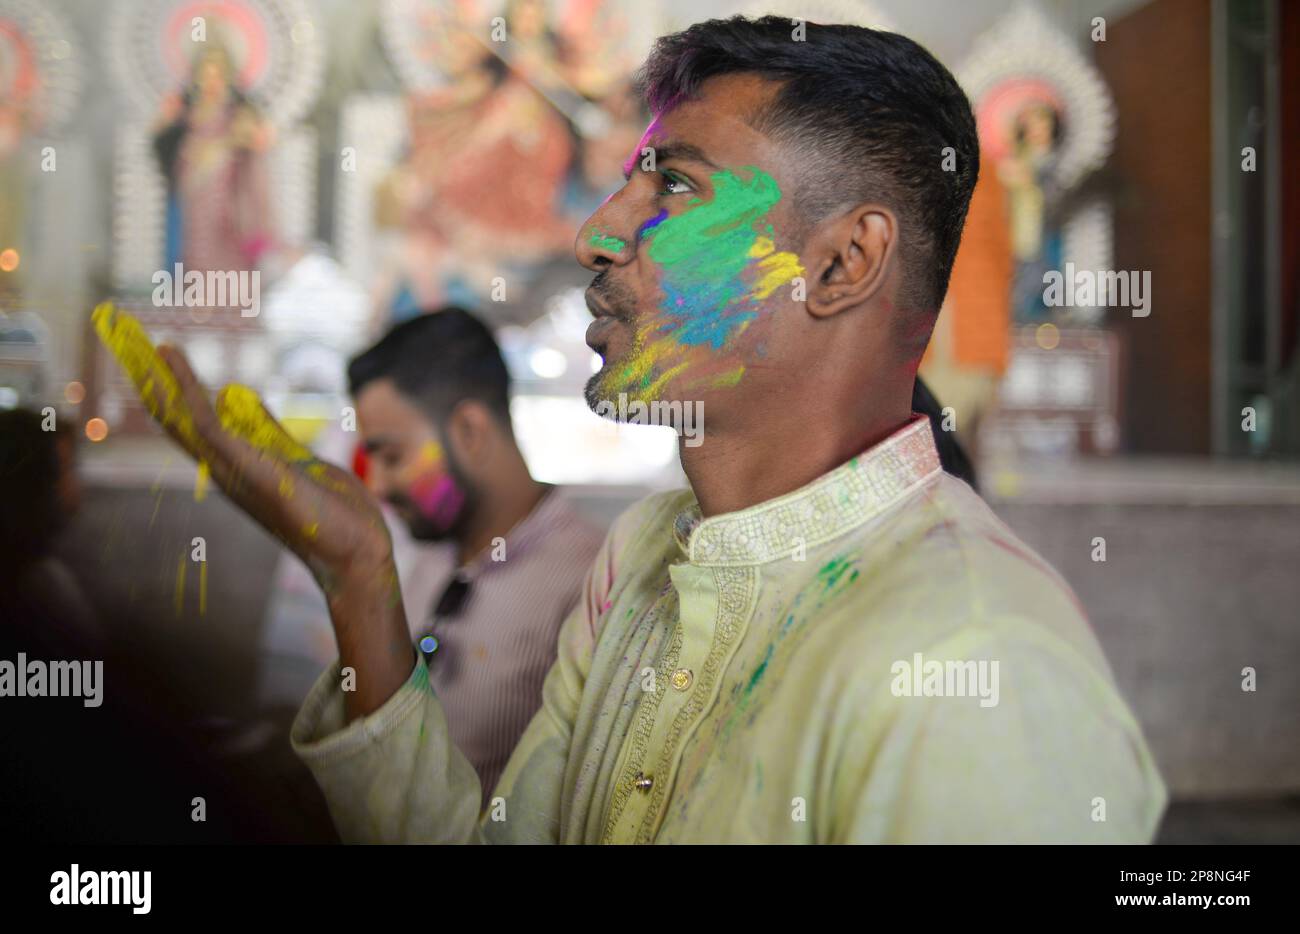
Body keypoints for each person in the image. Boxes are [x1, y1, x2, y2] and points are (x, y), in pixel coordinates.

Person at [123, 16, 1166, 843]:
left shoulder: (973, 666)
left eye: (672, 185)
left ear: (843, 265)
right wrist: (357, 572)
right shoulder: (646, 554)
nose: (595, 230)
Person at [260, 308, 604, 807]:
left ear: (469, 430)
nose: (375, 485)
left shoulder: (587, 585)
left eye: (392, 456)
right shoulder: (434, 561)